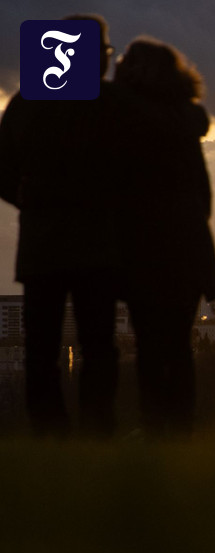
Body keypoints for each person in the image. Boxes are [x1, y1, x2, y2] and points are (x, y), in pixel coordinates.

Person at [0, 14, 121, 438]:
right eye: (105, 51)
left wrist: (32, 202)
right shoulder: (111, 104)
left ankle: (50, 434)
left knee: (41, 350)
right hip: (96, 248)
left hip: (42, 248)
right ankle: (97, 431)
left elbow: (2, 171)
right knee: (98, 347)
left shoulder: (26, 103)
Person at [114, 38, 215, 438]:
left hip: (141, 251)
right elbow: (203, 196)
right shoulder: (186, 125)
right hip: (186, 250)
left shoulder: (125, 120)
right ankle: (180, 428)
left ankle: (154, 423)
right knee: (178, 346)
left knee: (149, 346)